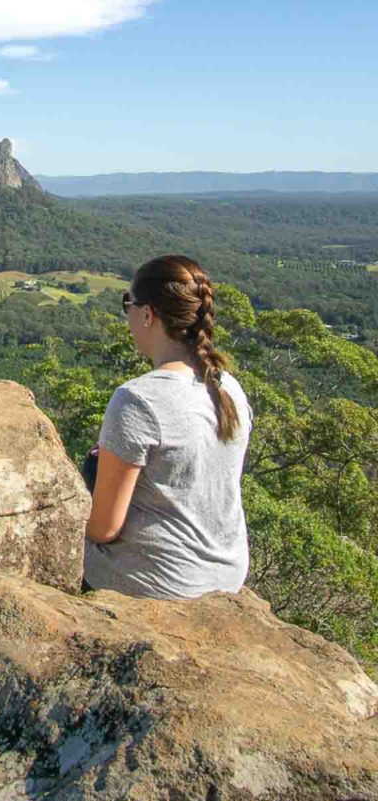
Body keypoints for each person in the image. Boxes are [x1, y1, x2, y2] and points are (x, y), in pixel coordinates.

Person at [82, 254, 252, 598]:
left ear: (147, 314)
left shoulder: (137, 399)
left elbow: (103, 529)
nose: (127, 314)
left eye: (128, 304)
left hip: (161, 583)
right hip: (227, 573)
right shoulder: (228, 387)